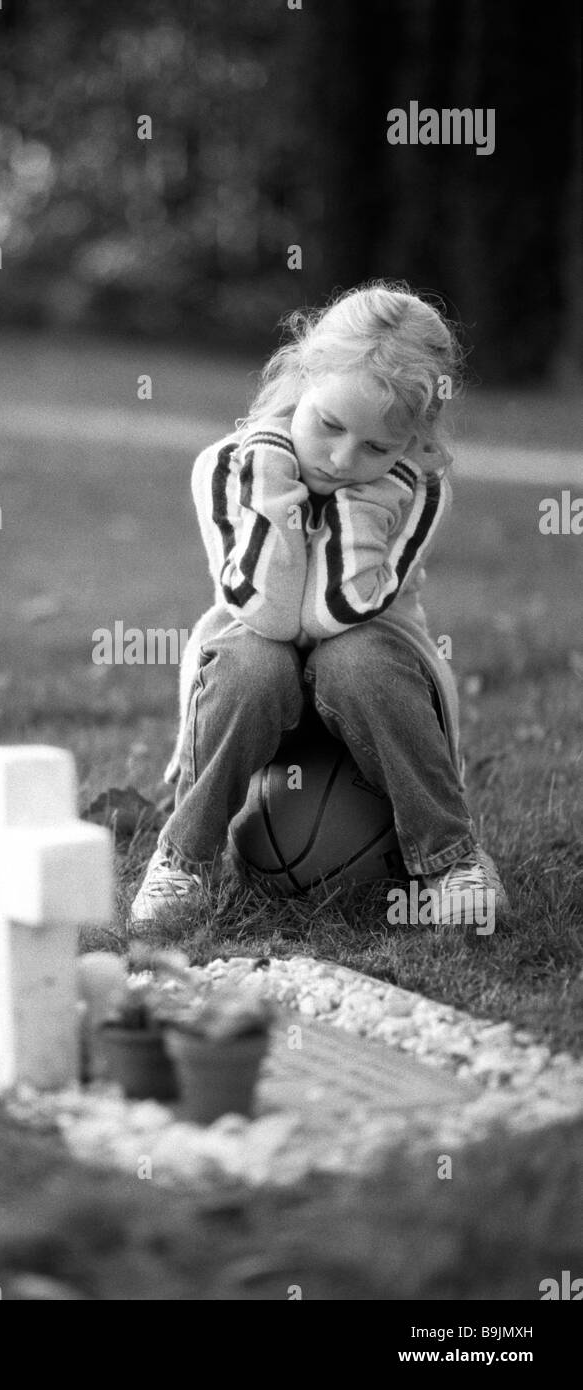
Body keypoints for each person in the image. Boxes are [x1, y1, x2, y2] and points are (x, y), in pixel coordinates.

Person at [130, 281, 508, 929]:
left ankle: (450, 858)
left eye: (378, 448)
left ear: (413, 440)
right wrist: (276, 486)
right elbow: (269, 614)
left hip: (373, 683)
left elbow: (342, 609)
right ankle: (183, 860)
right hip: (249, 683)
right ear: (301, 378)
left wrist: (361, 507)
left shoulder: (416, 491)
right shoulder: (228, 467)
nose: (341, 459)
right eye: (328, 425)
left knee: (354, 658)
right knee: (255, 660)